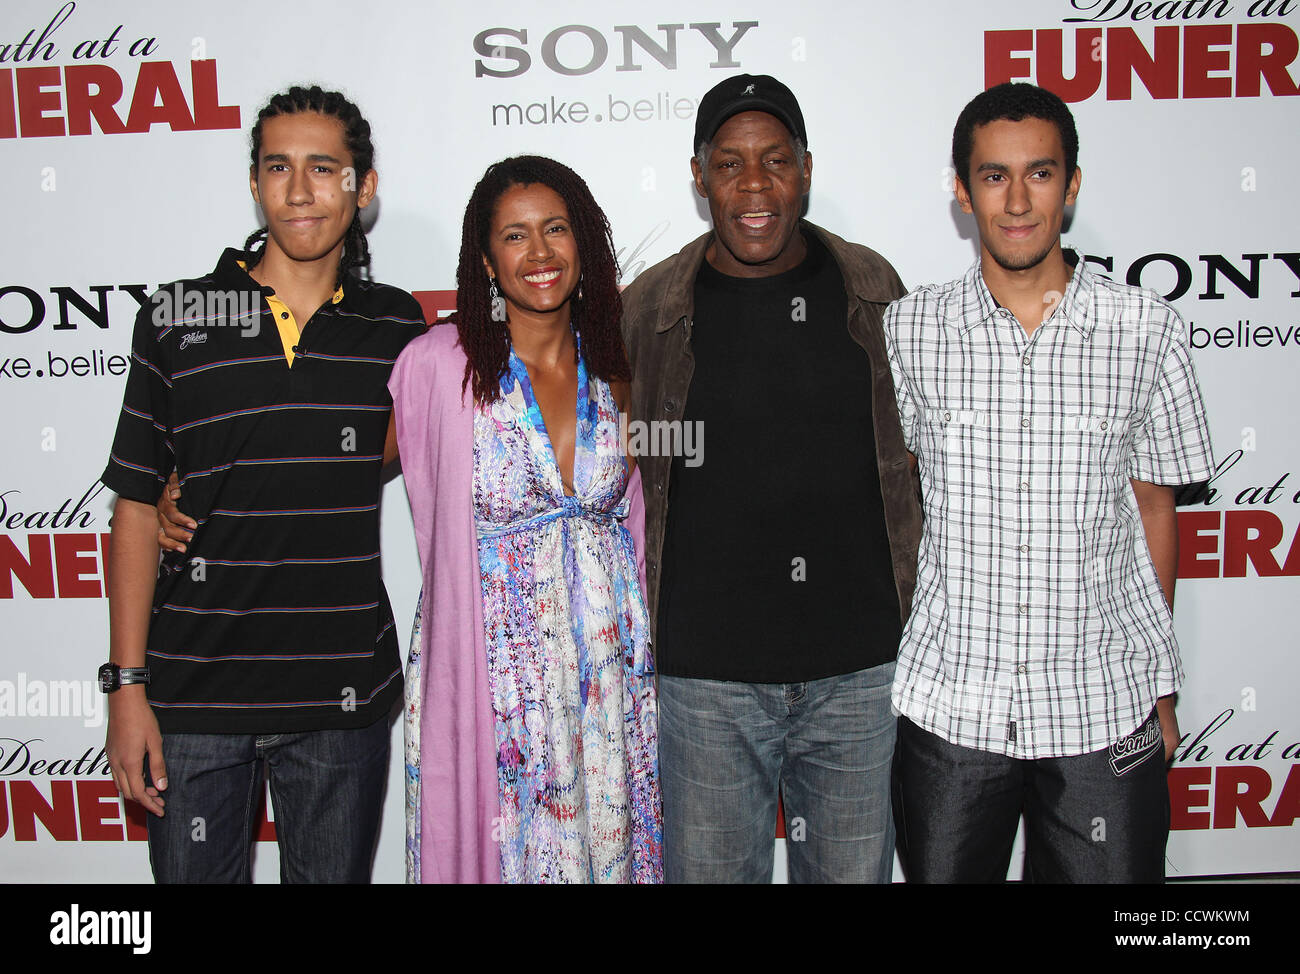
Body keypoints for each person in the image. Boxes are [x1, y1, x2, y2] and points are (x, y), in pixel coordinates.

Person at [885, 82, 1214, 883]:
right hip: (950, 709)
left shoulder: (1147, 331)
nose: (1018, 199)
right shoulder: (910, 329)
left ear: (1072, 186)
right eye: (994, 176)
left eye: (1040, 173)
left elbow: (1155, 510)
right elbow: (907, 501)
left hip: (1103, 708)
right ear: (962, 192)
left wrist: (1160, 689)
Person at [102, 85, 426, 883]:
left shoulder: (399, 327)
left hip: (340, 697)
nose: (299, 189)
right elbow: (138, 508)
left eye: (325, 168)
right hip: (193, 699)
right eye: (277, 166)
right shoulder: (177, 315)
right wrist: (126, 689)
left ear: (364, 186)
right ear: (254, 181)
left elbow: (410, 446)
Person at [620, 74, 922, 883]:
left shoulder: (873, 290)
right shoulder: (649, 310)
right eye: (730, 164)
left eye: (775, 160)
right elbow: (625, 468)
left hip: (861, 675)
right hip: (705, 684)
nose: (754, 186)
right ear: (699, 176)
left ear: (807, 169)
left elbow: (914, 467)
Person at [387, 155, 661, 884]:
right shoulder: (439, 365)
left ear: (585, 245)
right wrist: (183, 492)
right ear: (484, 260)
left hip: (612, 679)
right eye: (514, 236)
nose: (539, 254)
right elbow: (334, 468)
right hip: (493, 674)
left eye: (556, 230)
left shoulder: (620, 368)